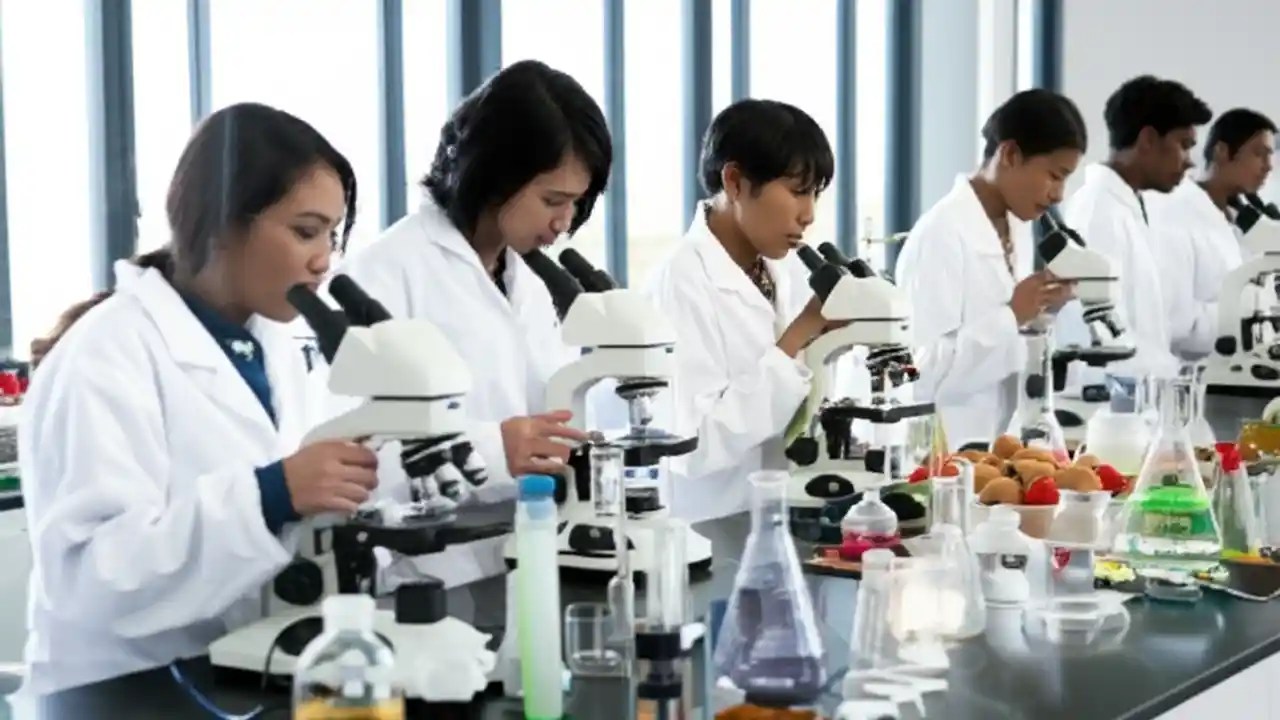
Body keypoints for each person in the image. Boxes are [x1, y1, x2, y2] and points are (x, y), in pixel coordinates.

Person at [18, 103, 369, 699]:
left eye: (332, 236)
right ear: (222, 226)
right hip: (118, 691)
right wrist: (270, 495)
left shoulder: (271, 346)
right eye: (305, 231)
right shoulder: (106, 354)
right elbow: (93, 577)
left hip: (231, 669)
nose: (324, 260)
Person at [334, 61, 612, 574]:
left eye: (576, 203)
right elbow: (355, 461)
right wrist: (494, 449)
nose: (564, 222)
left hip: (531, 556)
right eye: (553, 200)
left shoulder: (527, 277)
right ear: (494, 173)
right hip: (436, 575)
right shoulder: (384, 275)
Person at [644, 99, 834, 522]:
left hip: (771, 514)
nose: (809, 215)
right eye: (798, 191)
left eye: (815, 194)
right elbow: (692, 446)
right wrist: (801, 332)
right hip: (707, 524)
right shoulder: (681, 280)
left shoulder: (778, 271)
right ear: (734, 182)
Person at [893, 89, 1084, 450]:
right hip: (945, 453)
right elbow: (914, 373)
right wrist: (1011, 316)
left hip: (999, 444)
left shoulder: (1019, 227)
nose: (1059, 194)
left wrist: (1044, 311)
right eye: (1055, 175)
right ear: (1010, 154)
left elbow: (1009, 347)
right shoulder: (941, 234)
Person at [1054, 75, 1211, 385]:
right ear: (1149, 139)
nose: (1189, 162)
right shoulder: (1099, 211)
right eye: (1184, 145)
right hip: (1115, 414)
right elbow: (1098, 347)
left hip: (1143, 402)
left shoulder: (1130, 206)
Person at [1148, 108, 1277, 359]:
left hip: (1242, 366)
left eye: (1271, 156)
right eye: (1259, 154)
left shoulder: (1240, 219)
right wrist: (1251, 313)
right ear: (1222, 151)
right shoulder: (1175, 215)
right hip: (1194, 375)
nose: (1268, 166)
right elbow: (1176, 322)